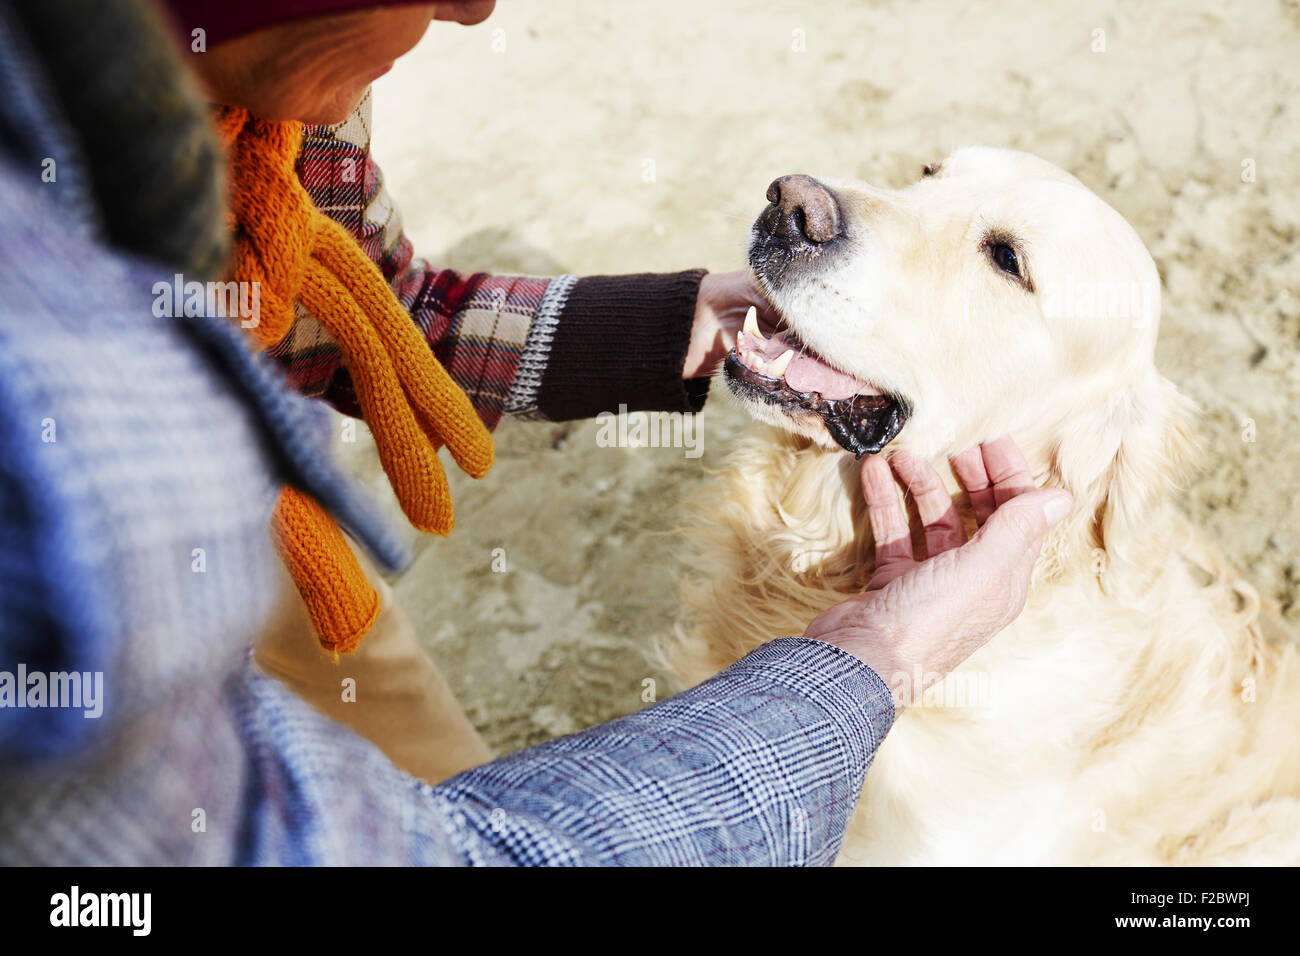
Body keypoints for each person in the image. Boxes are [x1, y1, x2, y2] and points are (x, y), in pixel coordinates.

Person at [0, 0, 1071, 865]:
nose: (475, 9)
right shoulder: (45, 461)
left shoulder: (277, 116)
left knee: (397, 709)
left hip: (282, 535)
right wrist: (873, 657)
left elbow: (382, 311)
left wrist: (670, 325)